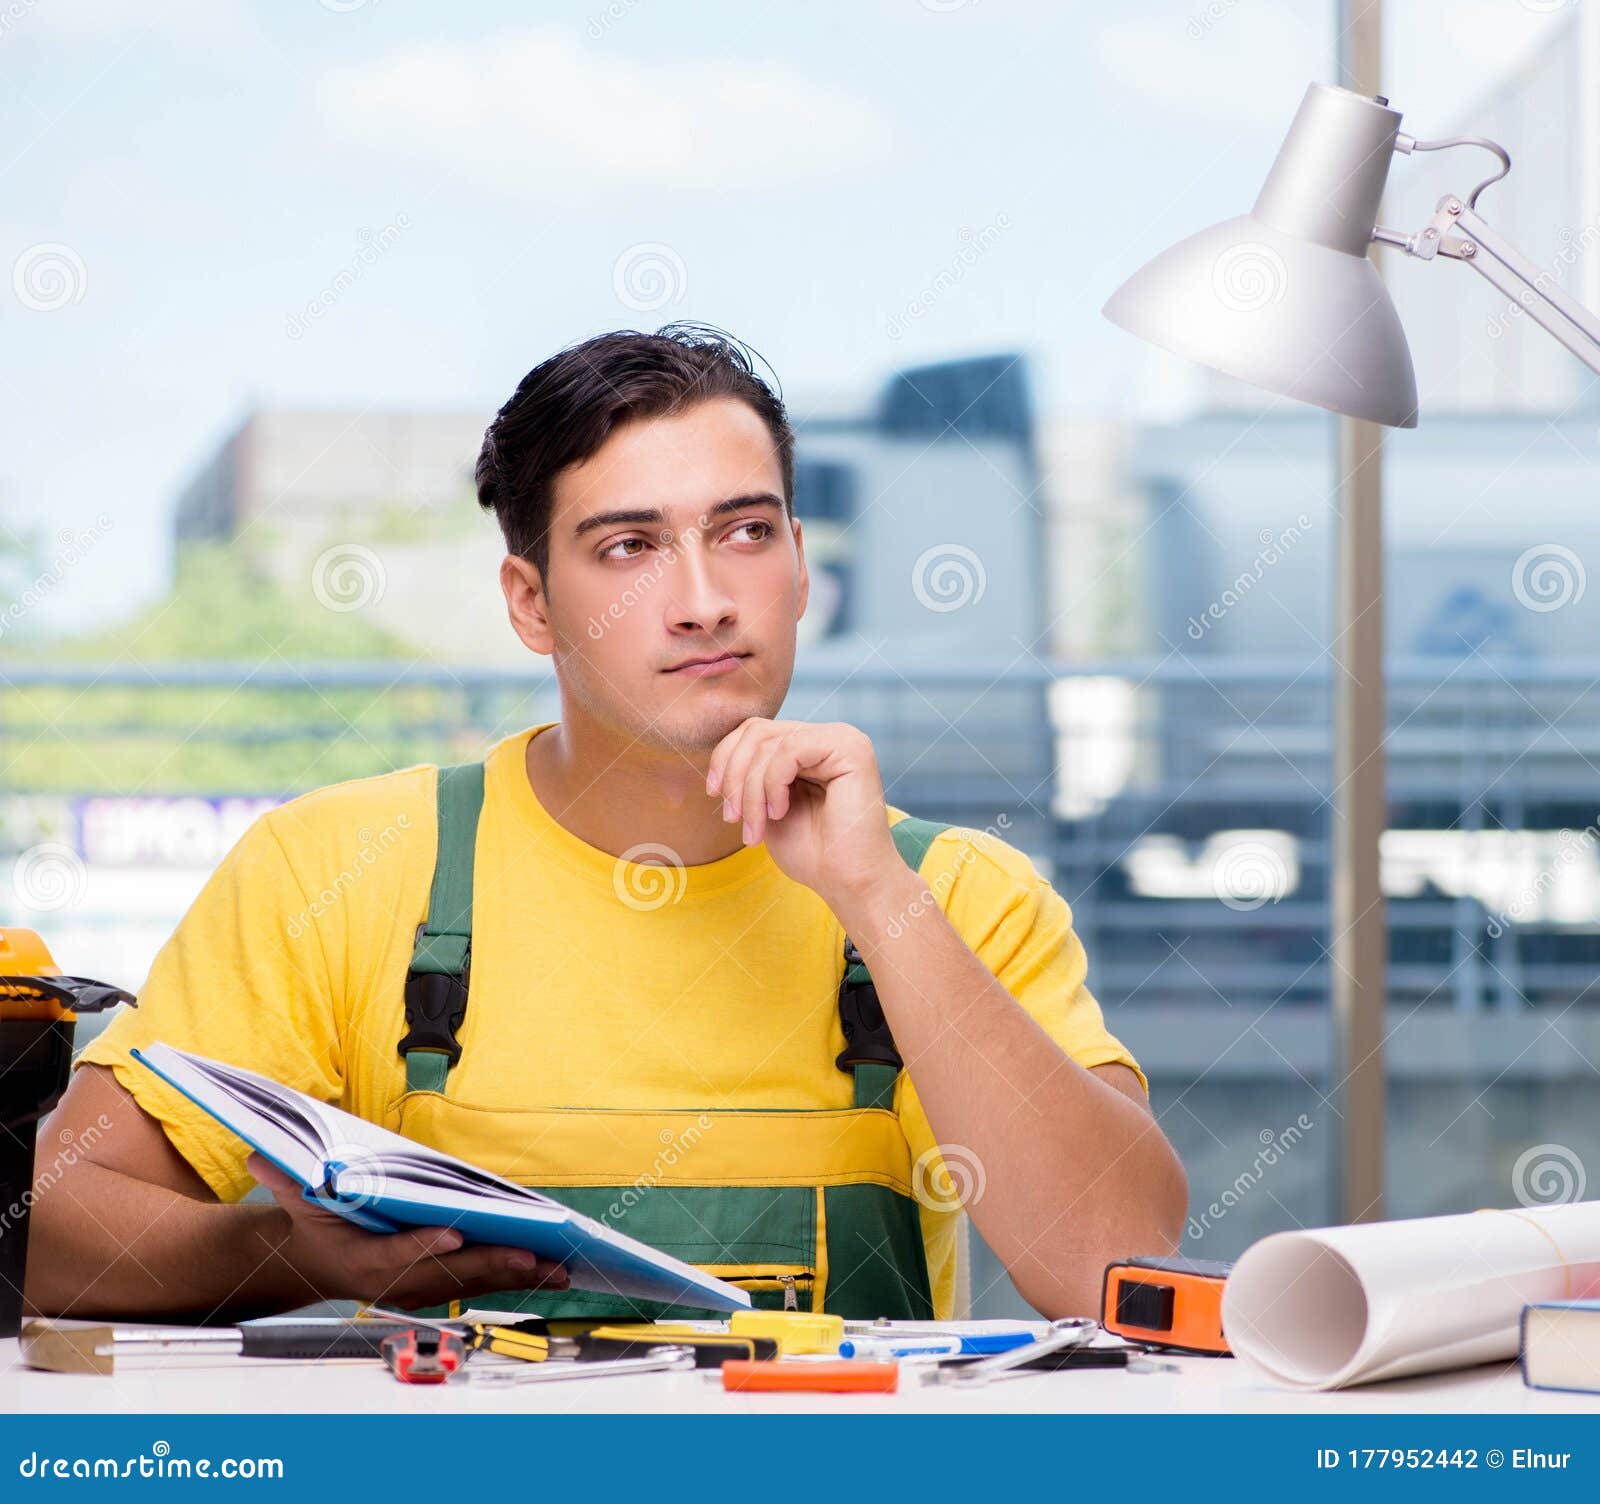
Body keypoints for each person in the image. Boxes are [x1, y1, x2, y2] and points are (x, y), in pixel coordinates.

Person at [29, 325, 1185, 1325]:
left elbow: (1114, 1267)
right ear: (531, 603)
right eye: (629, 547)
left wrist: (880, 902)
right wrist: (280, 1250)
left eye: (746, 532)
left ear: (798, 569)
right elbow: (47, 1228)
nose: (702, 598)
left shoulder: (953, 890)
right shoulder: (341, 869)